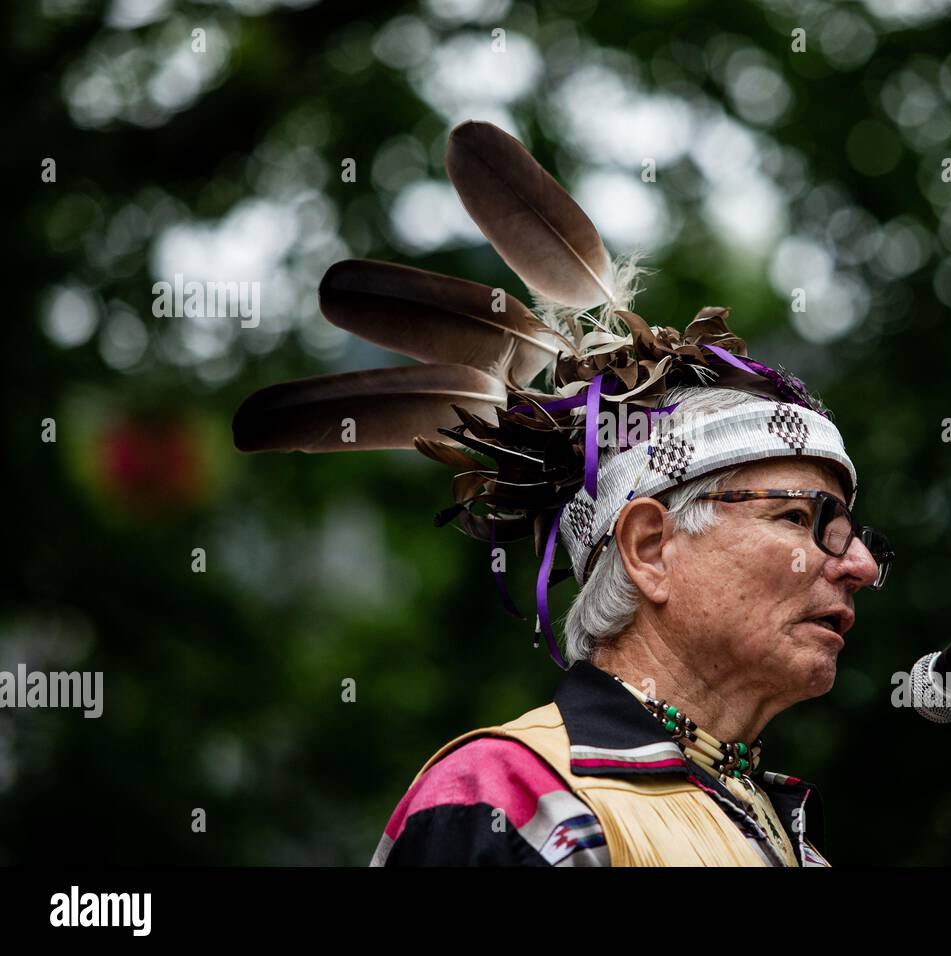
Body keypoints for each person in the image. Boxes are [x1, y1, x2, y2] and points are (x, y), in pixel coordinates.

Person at [232, 120, 894, 867]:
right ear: (650, 548)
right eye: (801, 518)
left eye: (851, 532)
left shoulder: (777, 828)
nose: (860, 566)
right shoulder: (505, 797)